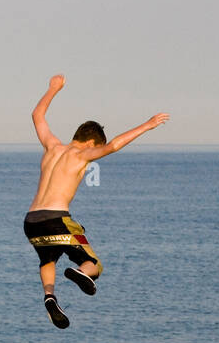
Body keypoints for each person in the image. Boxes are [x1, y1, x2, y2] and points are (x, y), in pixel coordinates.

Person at [23, 75, 169, 328]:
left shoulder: (52, 147)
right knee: (95, 265)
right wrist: (147, 125)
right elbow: (113, 146)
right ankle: (82, 272)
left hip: (31, 222)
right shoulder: (82, 154)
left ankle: (49, 297)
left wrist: (53, 89)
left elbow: (37, 116)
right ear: (91, 142)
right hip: (58, 220)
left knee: (48, 259)